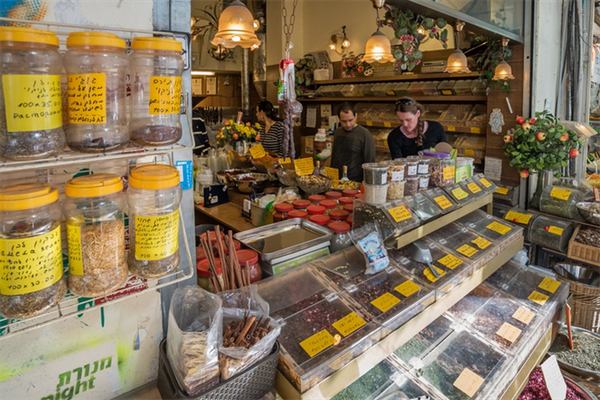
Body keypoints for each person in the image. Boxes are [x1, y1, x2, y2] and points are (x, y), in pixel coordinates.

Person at [330, 102, 376, 182]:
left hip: (355, 181)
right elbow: (334, 156)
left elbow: (369, 161)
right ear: (339, 119)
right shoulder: (338, 132)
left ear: (356, 116)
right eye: (344, 121)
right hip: (336, 179)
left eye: (350, 120)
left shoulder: (364, 134)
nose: (348, 124)